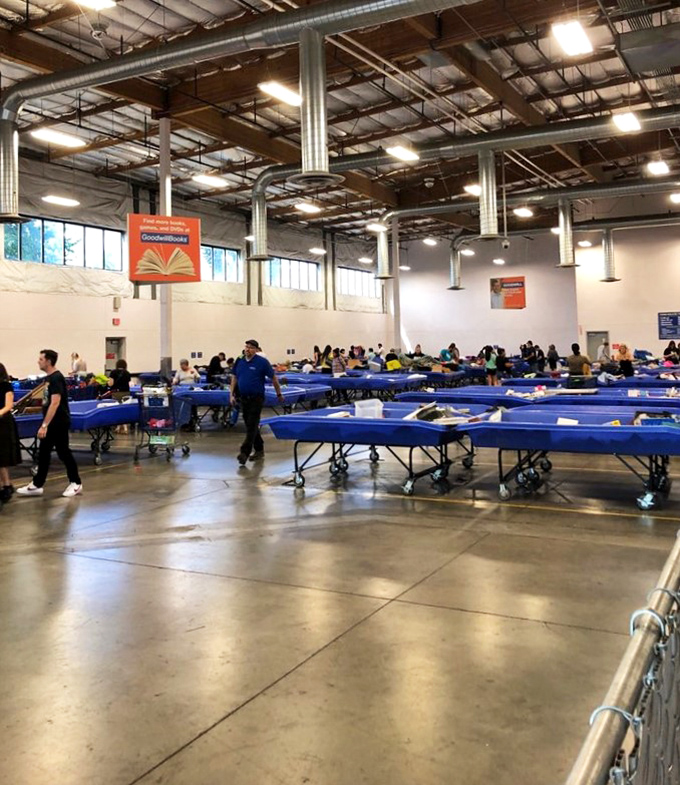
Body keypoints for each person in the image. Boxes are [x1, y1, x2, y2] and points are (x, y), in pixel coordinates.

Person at [17, 349, 82, 498]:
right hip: (52, 421)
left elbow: (55, 402)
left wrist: (44, 425)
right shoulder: (47, 379)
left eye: (41, 359)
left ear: (48, 361)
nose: (38, 361)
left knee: (63, 452)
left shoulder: (56, 378)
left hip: (58, 421)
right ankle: (37, 484)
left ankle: (76, 482)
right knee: (44, 453)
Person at [230, 339, 284, 465]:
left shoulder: (262, 363)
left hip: (257, 398)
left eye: (250, 347)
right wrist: (231, 394)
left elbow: (274, 378)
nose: (247, 349)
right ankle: (259, 449)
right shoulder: (239, 360)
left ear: (256, 350)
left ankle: (244, 452)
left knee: (252, 424)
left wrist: (279, 394)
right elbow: (234, 377)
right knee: (251, 425)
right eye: (246, 347)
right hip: (244, 398)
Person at [0, 363, 21, 502]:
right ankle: (5, 485)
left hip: (3, 424)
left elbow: (9, 405)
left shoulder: (6, 386)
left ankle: (7, 485)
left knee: (2, 458)